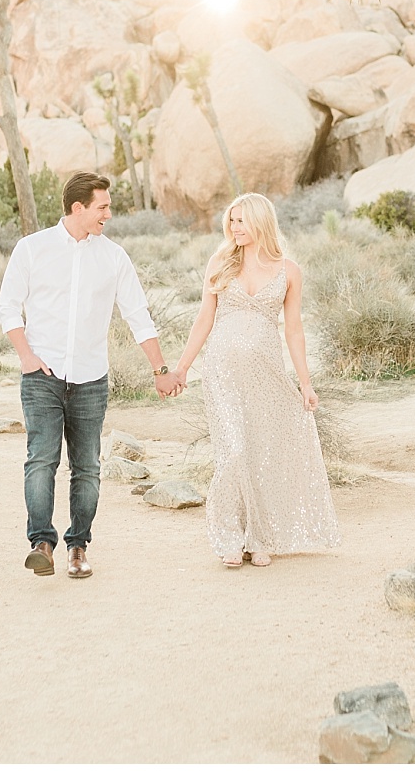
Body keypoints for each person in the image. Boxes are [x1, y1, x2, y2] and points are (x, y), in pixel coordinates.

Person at [0, 171, 182, 580]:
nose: (108, 215)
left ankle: (78, 546)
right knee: (41, 460)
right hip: (41, 375)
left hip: (90, 379)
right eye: (103, 207)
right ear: (78, 208)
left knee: (88, 468)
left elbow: (138, 315)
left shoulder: (113, 256)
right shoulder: (32, 249)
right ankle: (41, 543)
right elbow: (8, 307)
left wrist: (161, 370)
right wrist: (26, 355)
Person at [173, 192, 340, 568]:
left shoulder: (289, 270)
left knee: (261, 451)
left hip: (266, 372)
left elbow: (294, 330)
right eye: (231, 221)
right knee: (233, 452)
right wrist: (183, 367)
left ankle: (259, 536)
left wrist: (305, 382)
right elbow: (204, 318)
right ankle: (230, 537)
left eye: (241, 221)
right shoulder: (220, 262)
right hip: (222, 371)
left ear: (261, 222)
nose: (234, 227)